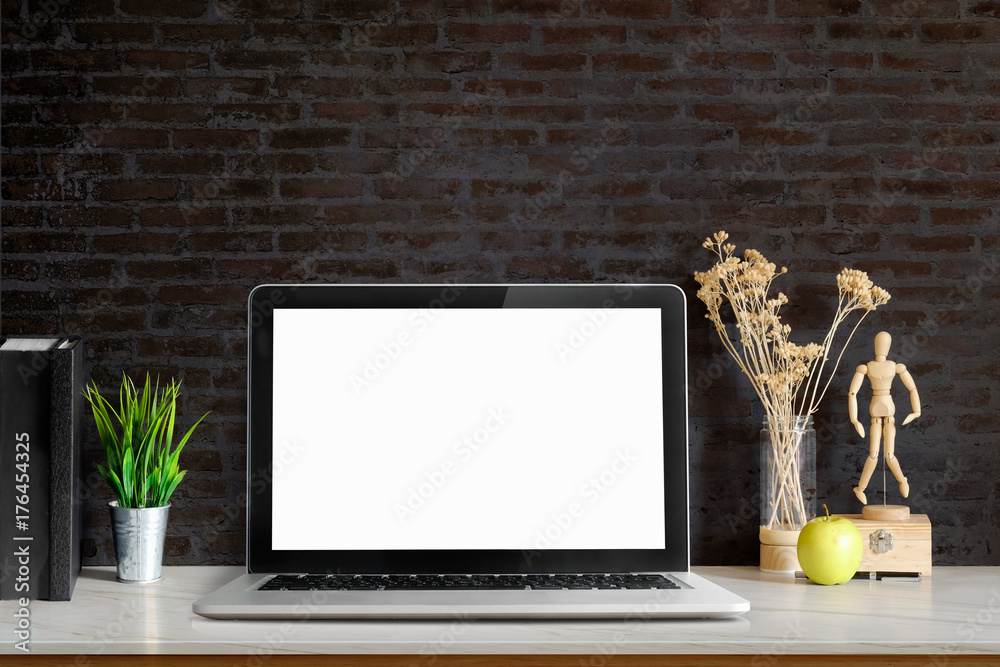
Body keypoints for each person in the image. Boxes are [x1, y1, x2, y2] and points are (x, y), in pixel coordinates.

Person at [848, 331, 921, 505]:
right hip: (876, 413)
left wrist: (916, 411)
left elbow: (912, 389)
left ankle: (902, 480)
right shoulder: (867, 367)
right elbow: (852, 393)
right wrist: (854, 419)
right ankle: (860, 488)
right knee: (873, 454)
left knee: (889, 455)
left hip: (889, 414)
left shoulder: (895, 366)